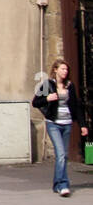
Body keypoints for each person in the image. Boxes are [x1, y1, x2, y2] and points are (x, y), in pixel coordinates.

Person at [32, 57, 87, 197]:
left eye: (66, 69)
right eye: (62, 69)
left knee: (63, 155)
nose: (65, 71)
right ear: (55, 70)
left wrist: (82, 125)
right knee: (61, 154)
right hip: (53, 124)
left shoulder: (70, 86)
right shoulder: (48, 85)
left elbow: (76, 106)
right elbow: (35, 102)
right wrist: (47, 98)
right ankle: (63, 185)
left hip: (67, 124)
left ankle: (57, 184)